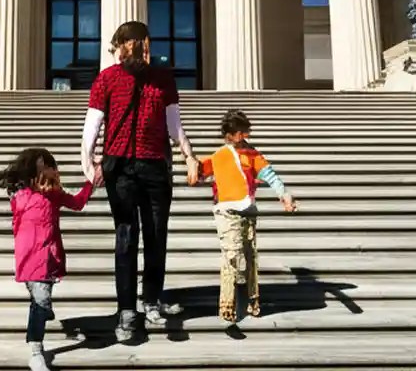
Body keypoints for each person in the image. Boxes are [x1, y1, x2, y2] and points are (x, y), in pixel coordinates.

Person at [80, 20, 200, 342]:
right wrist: (87, 162)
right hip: (120, 168)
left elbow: (174, 125)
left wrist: (189, 156)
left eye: (142, 43)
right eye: (130, 43)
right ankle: (126, 311)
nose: (137, 49)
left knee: (156, 235)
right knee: (126, 237)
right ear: (119, 46)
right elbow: (92, 124)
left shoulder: (163, 80)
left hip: (155, 167)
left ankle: (151, 300)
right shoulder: (106, 79)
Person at [0, 147, 101, 371]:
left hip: (49, 256)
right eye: (43, 168)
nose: (49, 172)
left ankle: (38, 337)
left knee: (41, 297)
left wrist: (91, 181)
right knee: (40, 298)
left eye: (51, 168)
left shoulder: (55, 194)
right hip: (28, 256)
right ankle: (36, 349)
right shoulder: (20, 196)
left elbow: (78, 202)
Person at [191, 110, 298, 323]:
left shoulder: (252, 155)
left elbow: (270, 175)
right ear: (229, 134)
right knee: (232, 254)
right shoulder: (220, 155)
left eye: (245, 132)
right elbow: (198, 173)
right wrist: (192, 166)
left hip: (248, 210)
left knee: (250, 257)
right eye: (240, 132)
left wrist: (284, 195)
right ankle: (227, 306)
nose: (244, 136)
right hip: (226, 211)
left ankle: (252, 301)